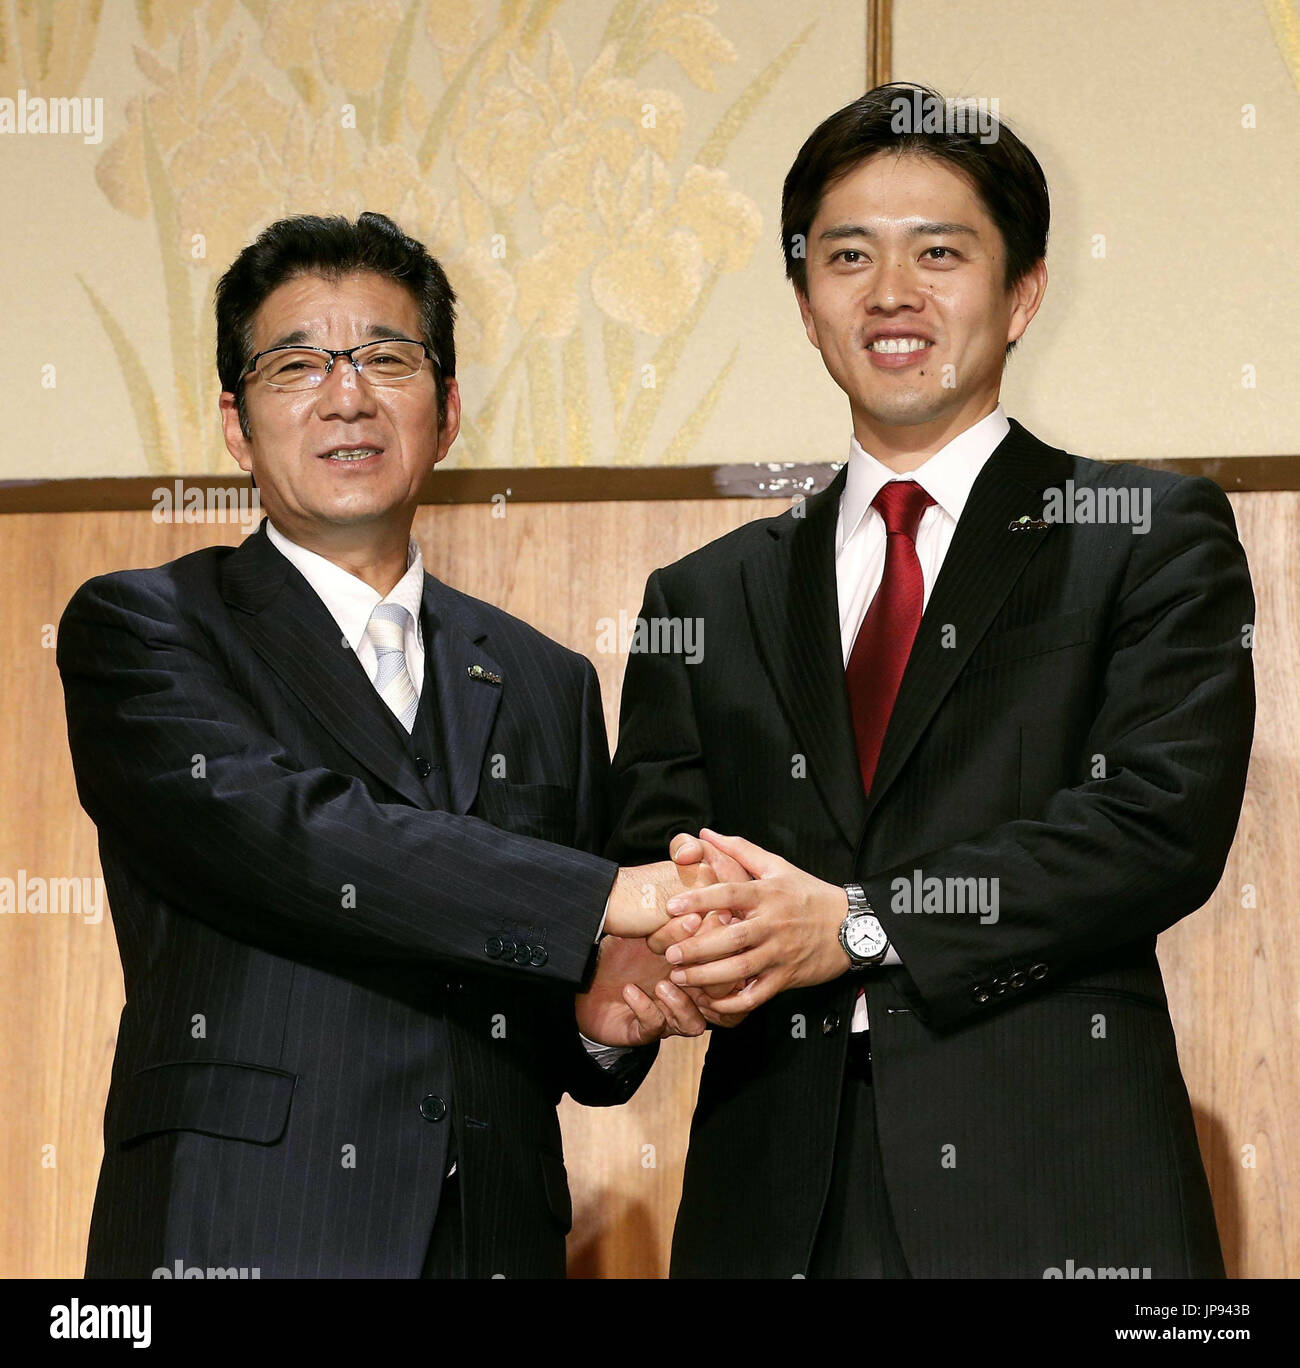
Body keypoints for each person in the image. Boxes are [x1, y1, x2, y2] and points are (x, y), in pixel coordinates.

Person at [609, 84, 1255, 1278]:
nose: (891, 293)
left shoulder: (1145, 532)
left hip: (1053, 1189)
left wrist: (857, 924)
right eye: (847, 256)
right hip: (775, 1202)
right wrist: (658, 967)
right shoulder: (698, 597)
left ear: (1021, 293)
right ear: (805, 303)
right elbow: (656, 860)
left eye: (939, 253)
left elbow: (1155, 826)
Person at [58, 211, 712, 1279]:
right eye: (296, 364)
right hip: (237, 1229)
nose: (347, 394)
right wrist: (603, 897)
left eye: (386, 358)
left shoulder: (547, 680)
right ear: (236, 422)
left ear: (446, 412)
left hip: (493, 1238)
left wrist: (598, 1019)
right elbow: (291, 838)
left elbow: (556, 1026)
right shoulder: (145, 627)